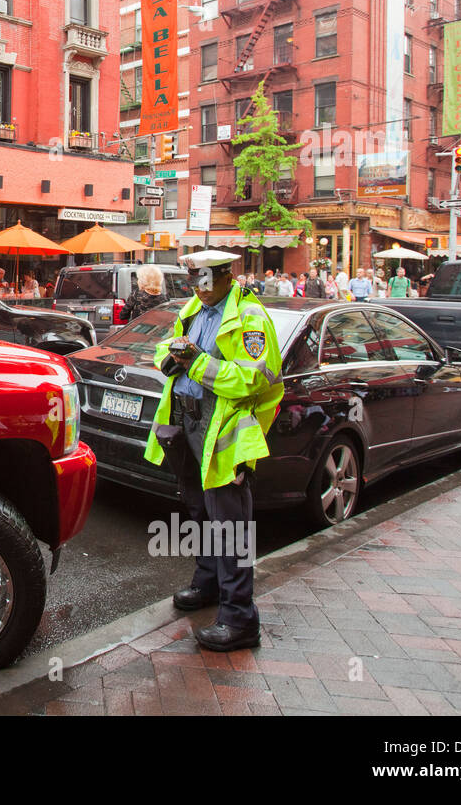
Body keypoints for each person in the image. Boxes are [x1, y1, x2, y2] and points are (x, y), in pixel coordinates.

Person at [144, 249, 284, 652]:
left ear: (226, 276)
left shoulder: (251, 318)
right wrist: (172, 358)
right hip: (186, 424)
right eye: (194, 281)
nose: (199, 289)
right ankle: (206, 585)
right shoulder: (193, 307)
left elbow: (254, 380)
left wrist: (197, 363)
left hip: (222, 430)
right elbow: (163, 351)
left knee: (230, 525)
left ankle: (240, 620)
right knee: (199, 511)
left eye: (206, 281)